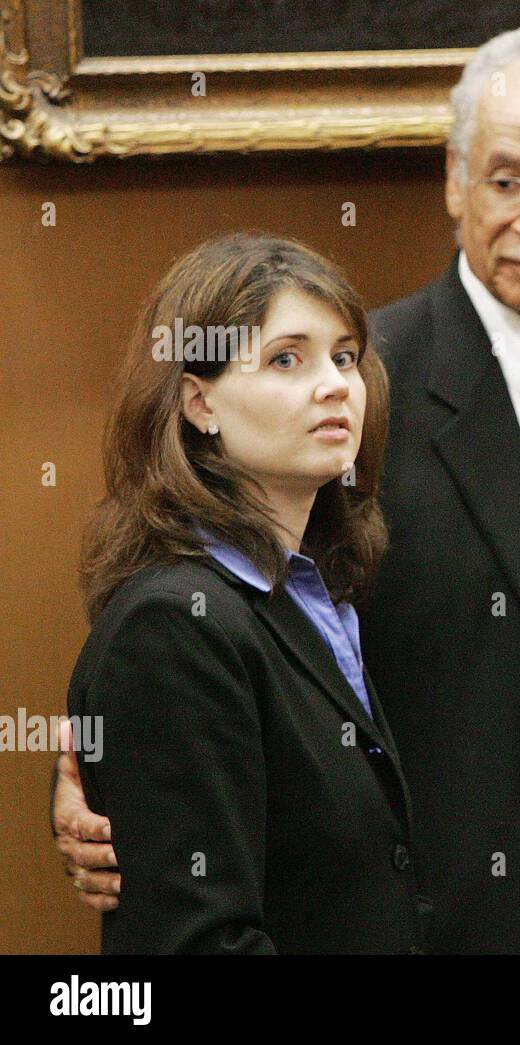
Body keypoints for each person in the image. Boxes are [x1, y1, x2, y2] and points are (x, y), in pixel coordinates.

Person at [54, 23, 520, 953]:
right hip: (449, 927)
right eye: (505, 181)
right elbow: (205, 639)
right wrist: (90, 779)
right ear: (455, 180)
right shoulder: (353, 394)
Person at [63, 233, 428, 953]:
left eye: (345, 355)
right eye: (286, 358)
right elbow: (197, 941)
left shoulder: (316, 597)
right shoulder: (174, 626)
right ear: (199, 402)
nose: (334, 384)